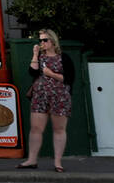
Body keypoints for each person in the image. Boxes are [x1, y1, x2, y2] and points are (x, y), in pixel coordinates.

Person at [19, 28, 75, 172]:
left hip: (60, 96)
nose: (42, 42)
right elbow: (32, 72)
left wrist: (51, 74)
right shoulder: (40, 57)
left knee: (59, 129)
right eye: (40, 40)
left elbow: (69, 79)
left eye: (45, 40)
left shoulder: (64, 57)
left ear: (53, 41)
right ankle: (32, 160)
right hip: (40, 96)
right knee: (36, 128)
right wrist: (35, 54)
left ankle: (57, 162)